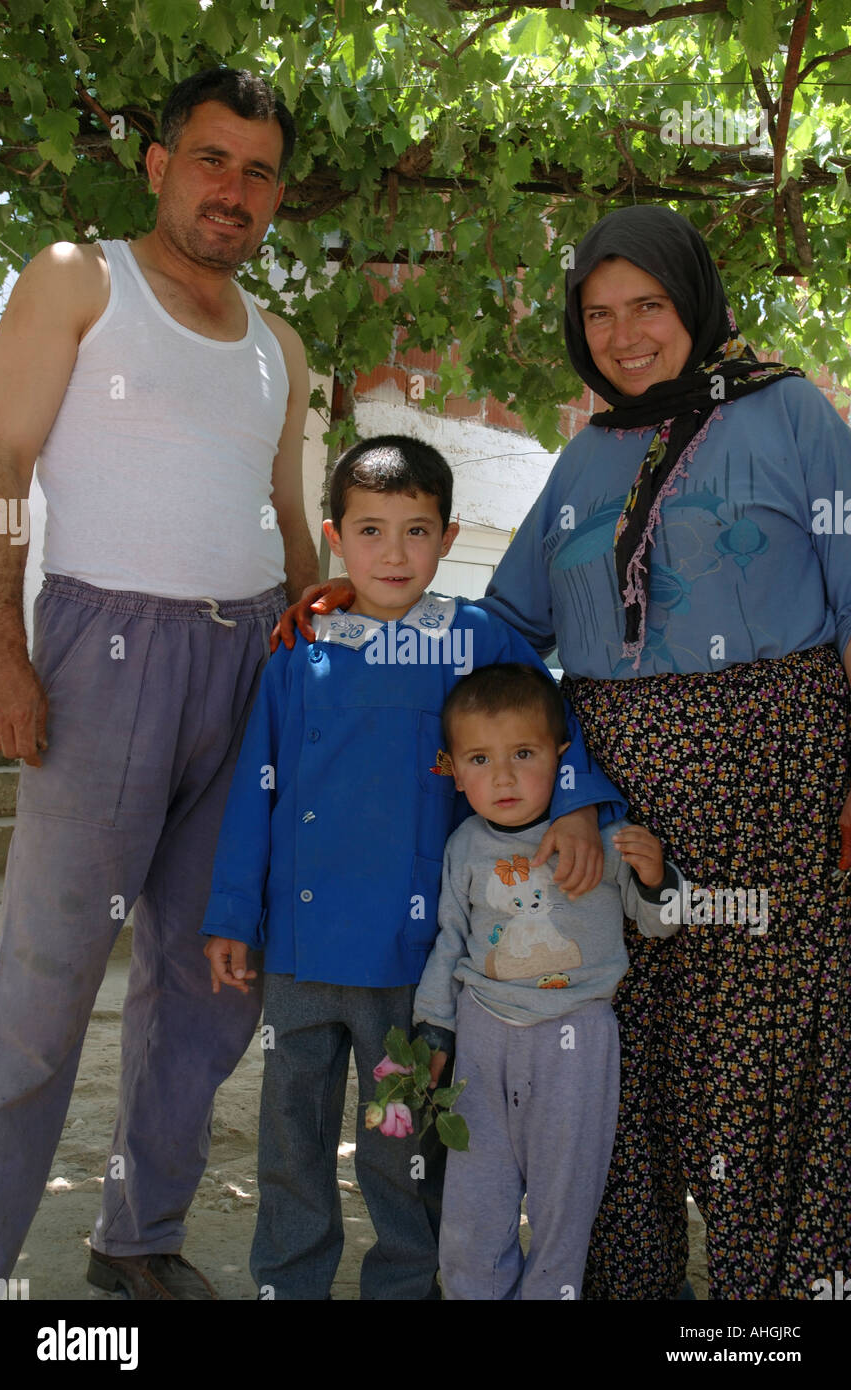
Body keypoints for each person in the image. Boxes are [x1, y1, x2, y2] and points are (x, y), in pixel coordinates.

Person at [276, 205, 851, 1300]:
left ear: (695, 299)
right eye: (599, 314)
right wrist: (359, 606)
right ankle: (630, 1290)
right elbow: (502, 627)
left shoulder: (791, 417)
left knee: (763, 1069)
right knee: (616, 1066)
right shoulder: (588, 455)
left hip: (772, 789)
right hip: (610, 809)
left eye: (649, 305)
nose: (626, 334)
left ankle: (766, 1309)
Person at [0, 67, 319, 1300]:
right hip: (102, 655)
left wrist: (315, 680)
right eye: (211, 158)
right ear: (160, 164)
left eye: (259, 171)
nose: (233, 189)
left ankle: (137, 1241)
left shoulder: (278, 347)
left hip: (252, 669)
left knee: (208, 981)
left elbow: (291, 527)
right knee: (46, 987)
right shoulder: (80, 278)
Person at [200, 434, 626, 1300]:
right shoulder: (300, 650)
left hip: (416, 954)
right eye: (370, 531)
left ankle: (404, 1287)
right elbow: (256, 788)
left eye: (417, 531)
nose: (393, 554)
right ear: (334, 537)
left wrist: (580, 804)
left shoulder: (479, 639)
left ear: (448, 533)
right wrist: (230, 912)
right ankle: (288, 1283)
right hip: (300, 948)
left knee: (405, 1147)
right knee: (291, 1138)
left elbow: (554, 728)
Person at [411, 663, 682, 1300]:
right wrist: (433, 1030)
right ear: (451, 767)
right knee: (475, 1199)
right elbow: (448, 941)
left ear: (562, 757)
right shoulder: (463, 846)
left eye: (524, 753)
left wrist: (655, 878)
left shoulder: (605, 839)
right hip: (482, 1029)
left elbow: (660, 925)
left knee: (566, 1201)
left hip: (577, 1036)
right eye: (479, 758)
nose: (502, 776)